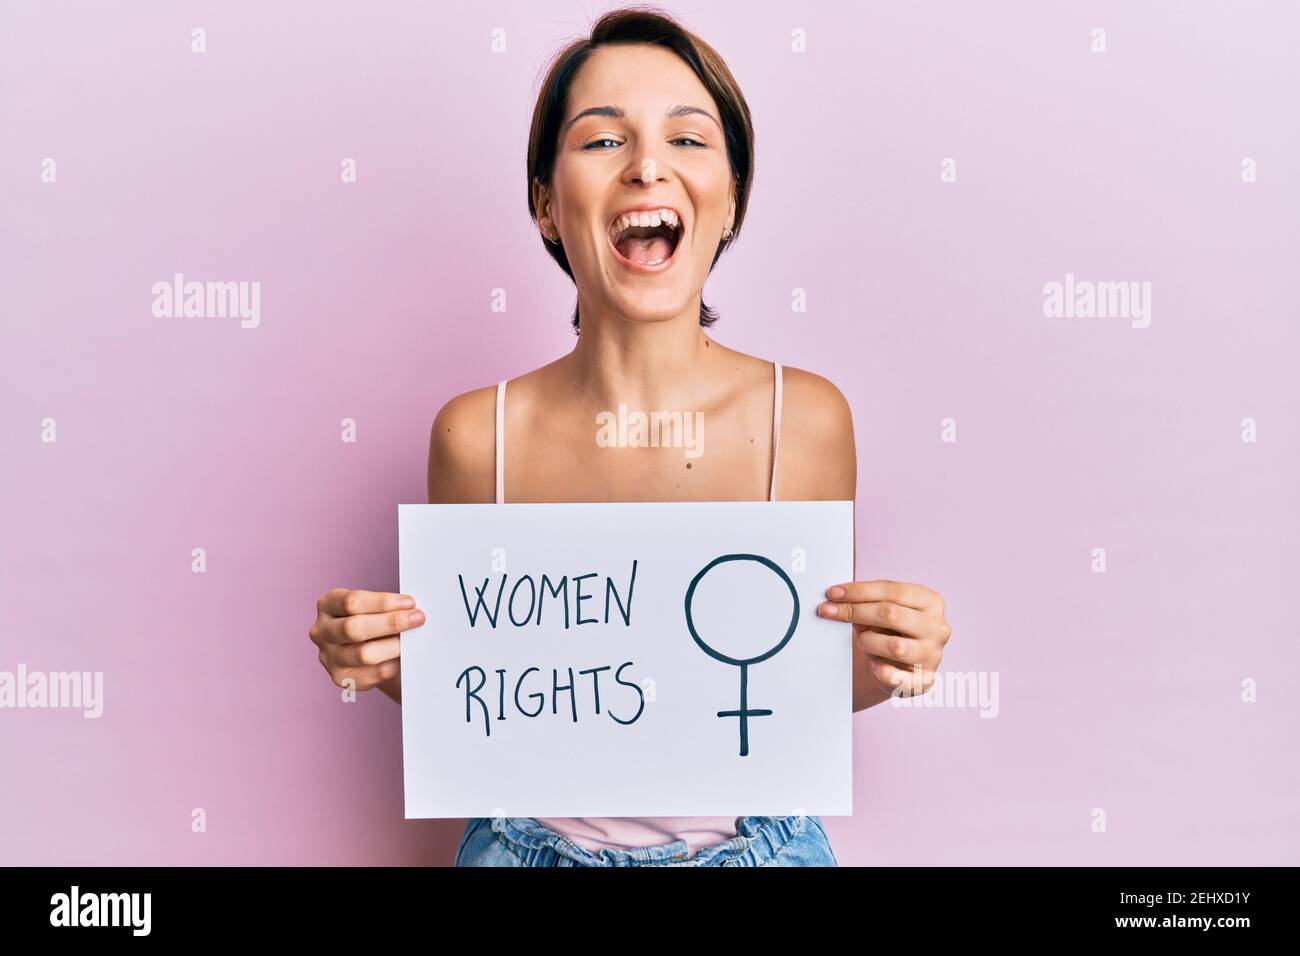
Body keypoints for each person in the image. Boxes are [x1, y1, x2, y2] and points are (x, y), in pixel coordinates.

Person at [308, 7, 952, 867]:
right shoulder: (477, 437)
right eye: (604, 141)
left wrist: (895, 656)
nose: (649, 165)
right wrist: (379, 659)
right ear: (544, 202)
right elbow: (481, 691)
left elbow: (798, 685)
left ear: (730, 202)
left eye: (689, 140)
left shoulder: (805, 419)